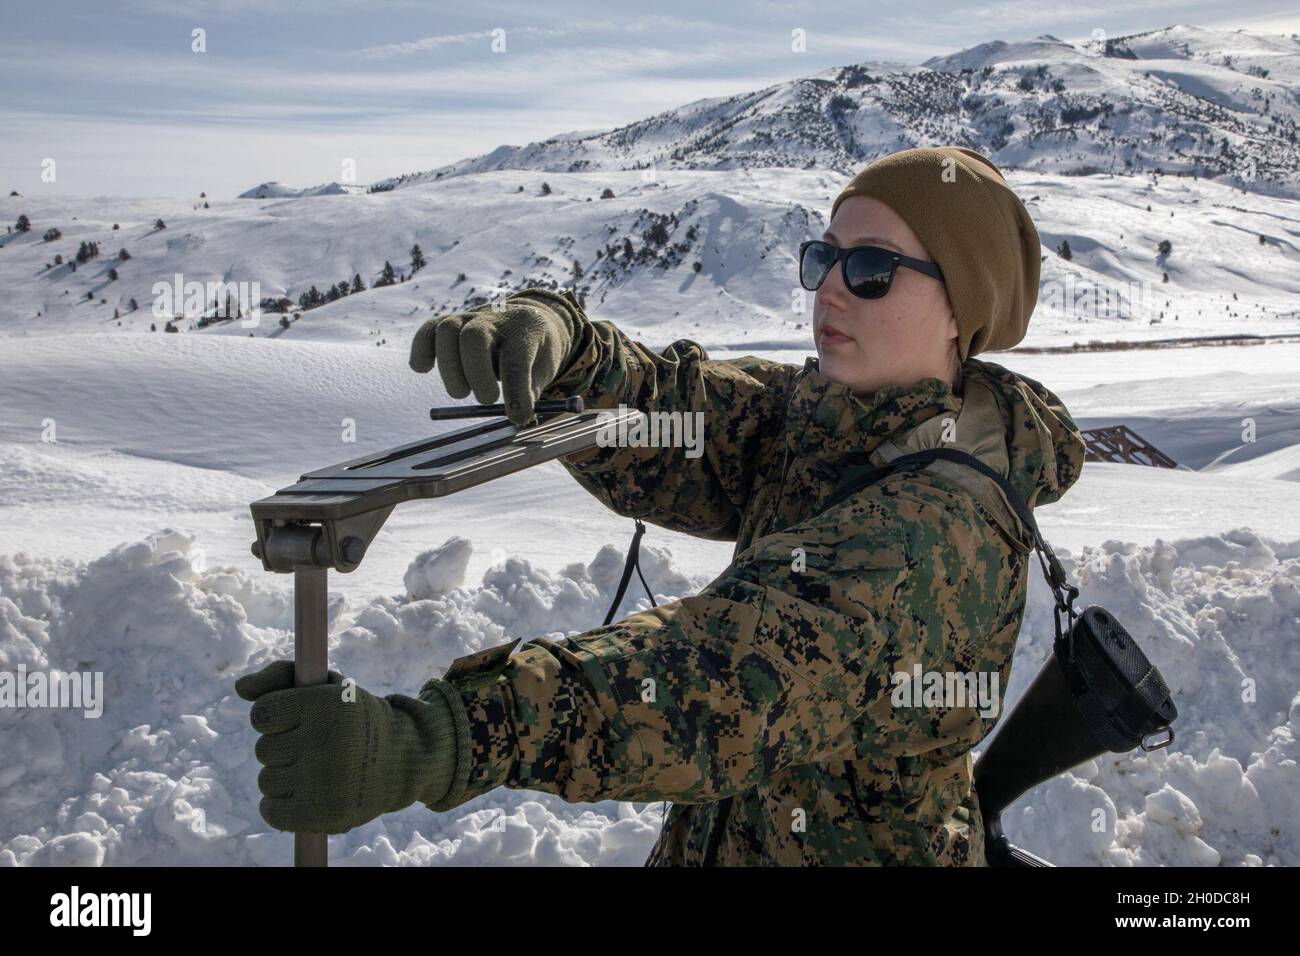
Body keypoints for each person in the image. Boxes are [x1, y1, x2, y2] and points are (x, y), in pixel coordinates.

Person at [237, 146, 1087, 865]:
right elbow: (677, 408)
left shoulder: (933, 531)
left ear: (959, 311)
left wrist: (438, 740)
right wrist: (560, 343)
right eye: (822, 258)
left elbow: (717, 681)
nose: (828, 291)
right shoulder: (828, 420)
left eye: (869, 272)